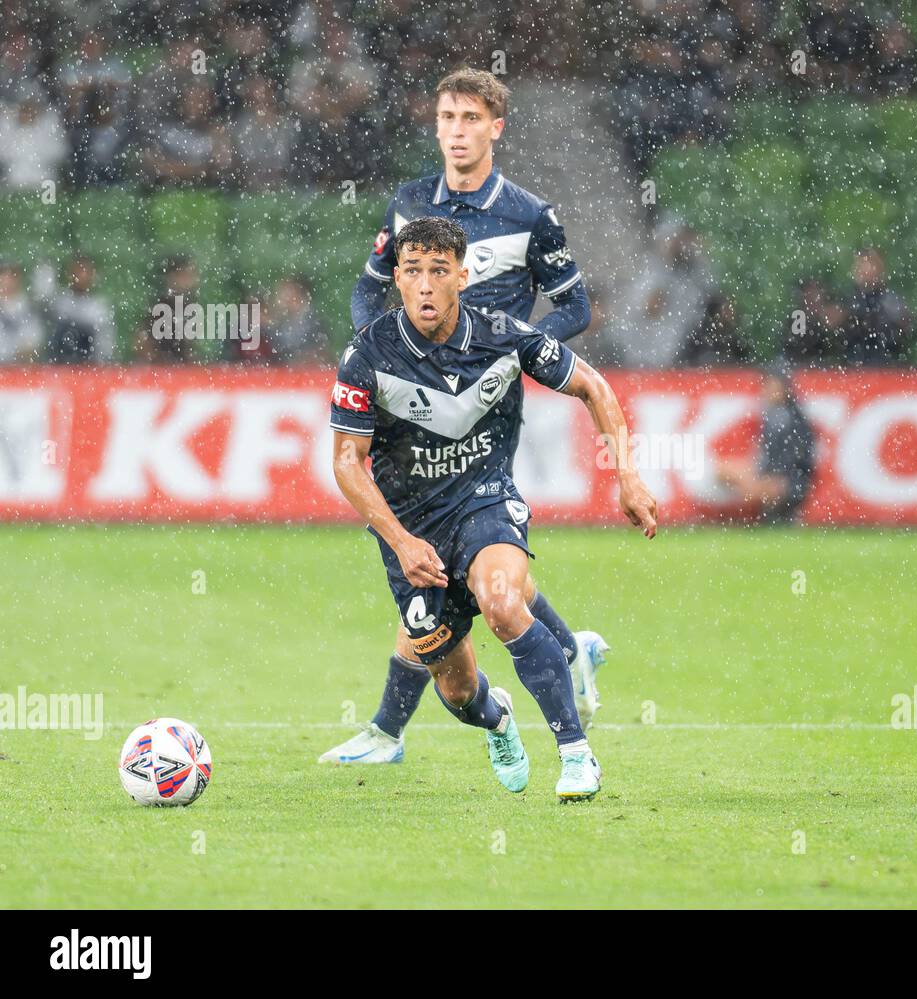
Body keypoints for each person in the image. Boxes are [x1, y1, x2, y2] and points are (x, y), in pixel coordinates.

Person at [323, 66, 599, 766]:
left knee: (452, 540)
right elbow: (367, 288)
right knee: (445, 549)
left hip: (484, 396)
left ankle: (388, 729)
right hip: (411, 379)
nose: (457, 131)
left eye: (471, 119)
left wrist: (516, 349)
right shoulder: (410, 203)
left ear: (495, 128)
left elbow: (575, 305)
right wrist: (379, 348)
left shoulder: (531, 214)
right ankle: (571, 650)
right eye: (447, 119)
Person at [328, 217, 657, 800]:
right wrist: (402, 543)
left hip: (484, 501)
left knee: (503, 600)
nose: (425, 285)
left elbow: (595, 389)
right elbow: (347, 463)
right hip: (412, 534)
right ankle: (499, 719)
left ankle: (576, 753)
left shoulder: (505, 335)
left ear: (462, 274)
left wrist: (626, 477)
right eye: (412, 272)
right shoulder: (366, 355)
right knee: (457, 693)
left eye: (437, 271)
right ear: (397, 282)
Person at [716, 367, 817, 522]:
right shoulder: (773, 414)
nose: (767, 390)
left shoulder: (793, 419)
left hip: (788, 481)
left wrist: (773, 476)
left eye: (771, 386)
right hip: (771, 474)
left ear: (784, 389)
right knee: (723, 470)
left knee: (749, 484)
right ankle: (761, 513)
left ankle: (768, 515)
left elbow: (799, 459)